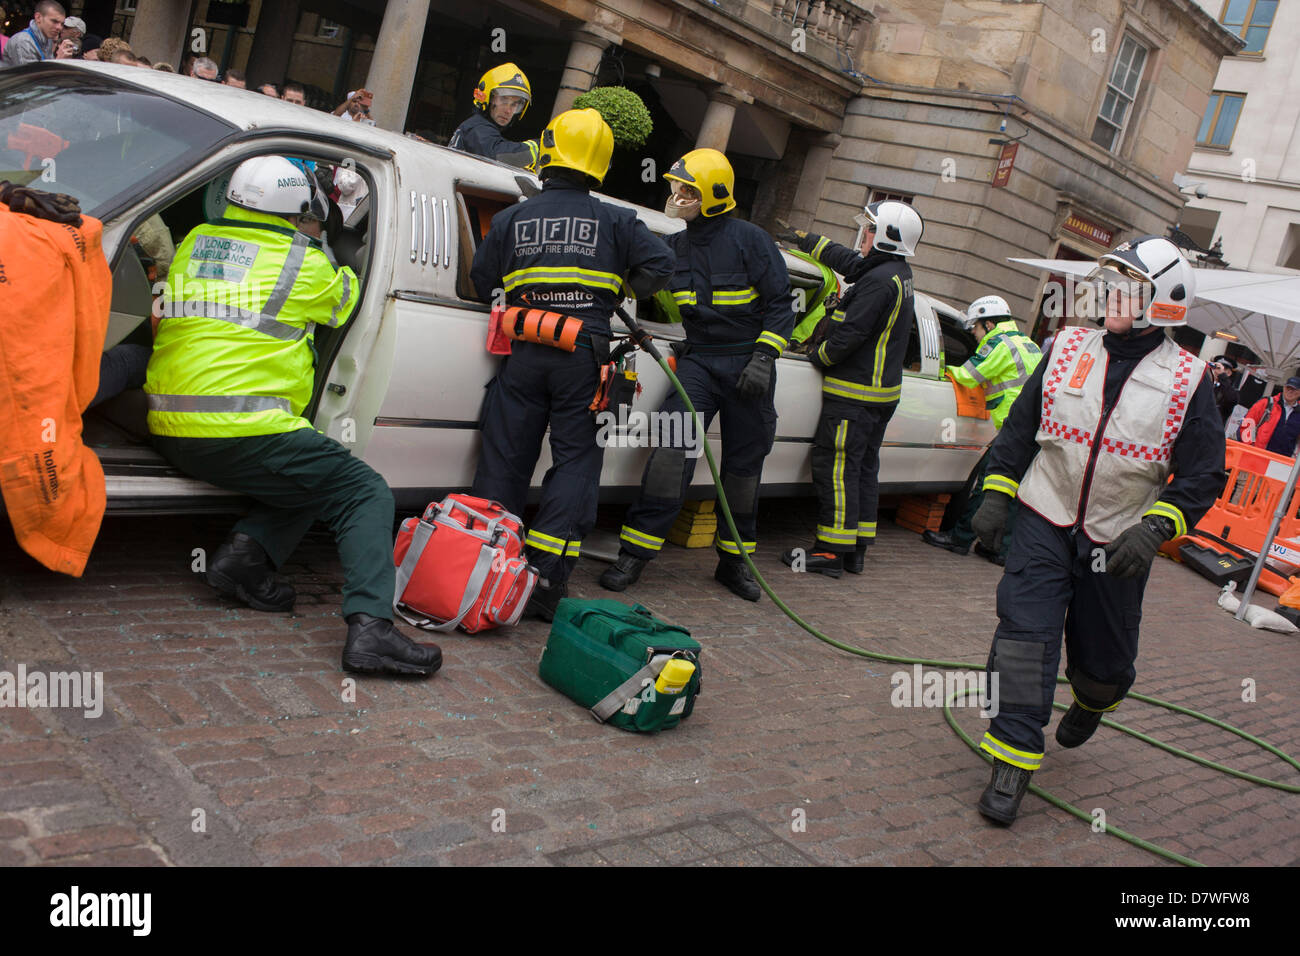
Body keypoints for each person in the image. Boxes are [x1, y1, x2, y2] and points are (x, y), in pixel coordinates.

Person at [143, 155, 441, 677]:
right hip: (241, 431)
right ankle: (372, 627)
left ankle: (245, 561)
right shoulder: (304, 261)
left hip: (169, 425)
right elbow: (353, 300)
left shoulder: (193, 242)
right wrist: (343, 236)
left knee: (312, 469)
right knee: (361, 490)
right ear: (301, 209)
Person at [969, 235, 1225, 825]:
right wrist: (996, 493)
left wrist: (1157, 527)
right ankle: (1012, 759)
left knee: (1103, 660)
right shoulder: (1063, 348)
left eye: (1129, 286)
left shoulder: (1190, 379)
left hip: (1120, 539)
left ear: (1161, 301)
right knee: (1023, 634)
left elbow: (1205, 474)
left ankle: (1094, 699)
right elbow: (1019, 431)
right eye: (1110, 282)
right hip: (1043, 516)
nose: (1112, 294)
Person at [469, 108, 674, 620]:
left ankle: (492, 566)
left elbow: (481, 281)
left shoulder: (513, 217)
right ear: (600, 162)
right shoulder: (617, 220)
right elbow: (661, 266)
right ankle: (545, 582)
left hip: (523, 350)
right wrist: (618, 289)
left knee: (505, 455)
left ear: (548, 150)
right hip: (583, 356)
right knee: (577, 460)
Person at [599, 148, 794, 602]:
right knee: (671, 453)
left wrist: (764, 358)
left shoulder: (751, 239)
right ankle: (635, 554)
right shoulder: (674, 245)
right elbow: (638, 273)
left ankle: (734, 564)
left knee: (743, 471)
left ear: (714, 195)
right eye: (676, 187)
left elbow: (781, 305)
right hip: (700, 362)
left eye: (687, 189)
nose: (677, 195)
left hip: (749, 363)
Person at [775, 201, 924, 576]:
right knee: (861, 469)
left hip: (854, 396)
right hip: (878, 396)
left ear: (889, 238)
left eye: (871, 230)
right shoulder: (894, 272)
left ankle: (829, 552)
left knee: (836, 468)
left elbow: (850, 335)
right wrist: (809, 242)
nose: (864, 235)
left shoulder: (877, 282)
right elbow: (850, 262)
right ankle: (856, 547)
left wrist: (817, 356)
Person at [922, 295, 1042, 565]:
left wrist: (940, 368)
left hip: (1016, 429)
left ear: (988, 324)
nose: (974, 335)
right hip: (1035, 428)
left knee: (990, 483)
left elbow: (968, 375)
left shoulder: (998, 344)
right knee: (1015, 490)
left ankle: (960, 539)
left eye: (975, 328)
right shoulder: (1028, 342)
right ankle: (999, 549)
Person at [448, 63, 539, 170]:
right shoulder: (477, 128)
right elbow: (500, 155)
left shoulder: (481, 129)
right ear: (488, 98)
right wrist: (539, 146)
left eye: (514, 105)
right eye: (504, 100)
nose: (508, 110)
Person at [1239, 376, 1300, 455]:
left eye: (1294, 389)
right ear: (1284, 388)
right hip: (1257, 455)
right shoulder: (1266, 403)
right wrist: (1250, 447)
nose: (1290, 391)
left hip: (1282, 462)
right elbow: (1247, 425)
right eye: (1288, 388)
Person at [1, 0, 64, 66]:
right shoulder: (23, 41)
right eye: (54, 21)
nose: (59, 27)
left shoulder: (48, 39)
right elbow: (30, 75)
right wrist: (59, 61)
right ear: (38, 17)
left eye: (62, 24)